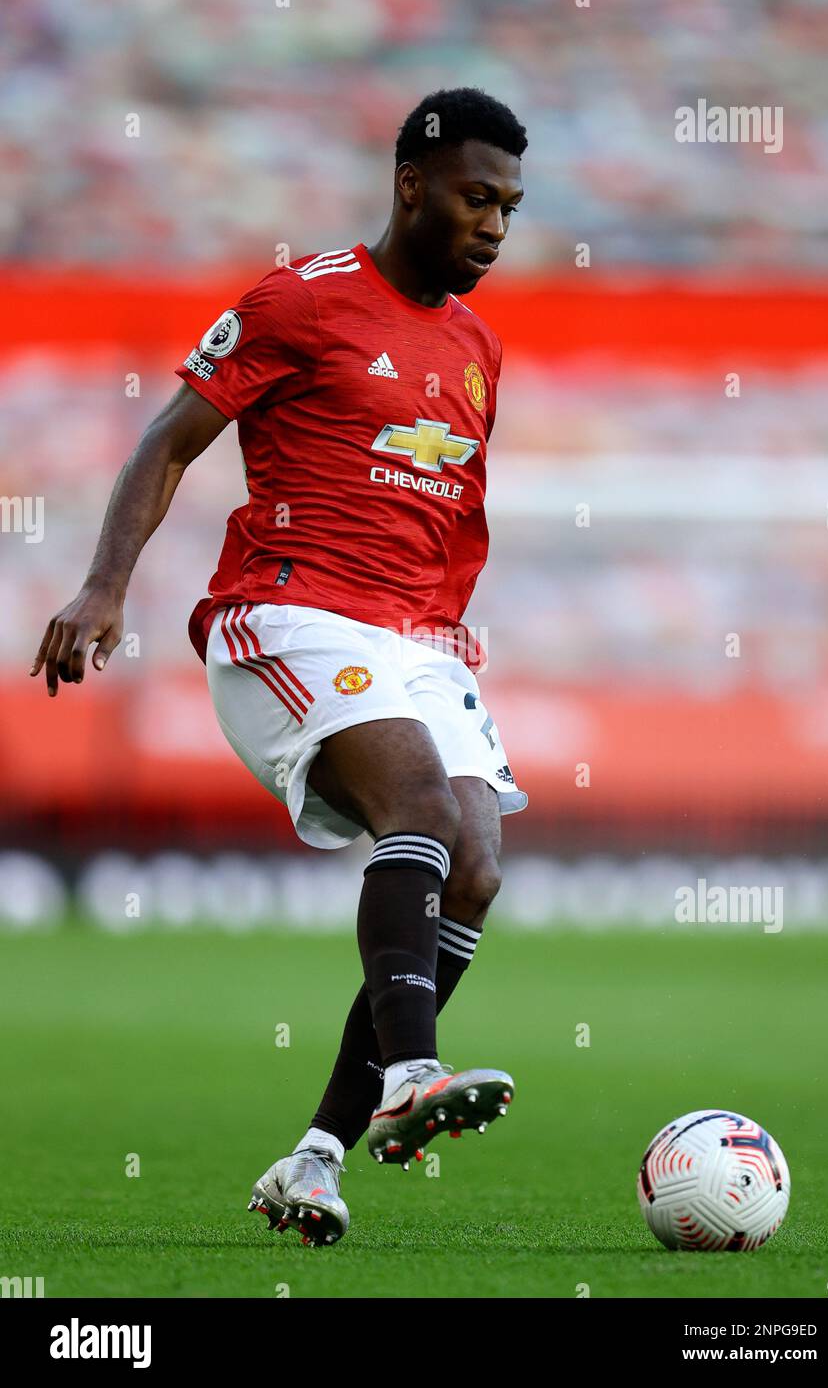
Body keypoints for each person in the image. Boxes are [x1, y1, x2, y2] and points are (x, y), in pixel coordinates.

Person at [31, 86, 529, 1248]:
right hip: (290, 613)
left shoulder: (476, 347)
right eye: (475, 197)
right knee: (415, 804)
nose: (495, 226)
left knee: (477, 863)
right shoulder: (299, 302)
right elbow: (168, 440)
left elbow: (447, 516)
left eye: (508, 206)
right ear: (413, 184)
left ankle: (313, 1159)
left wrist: (446, 644)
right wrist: (105, 586)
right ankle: (414, 1071)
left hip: (415, 641)